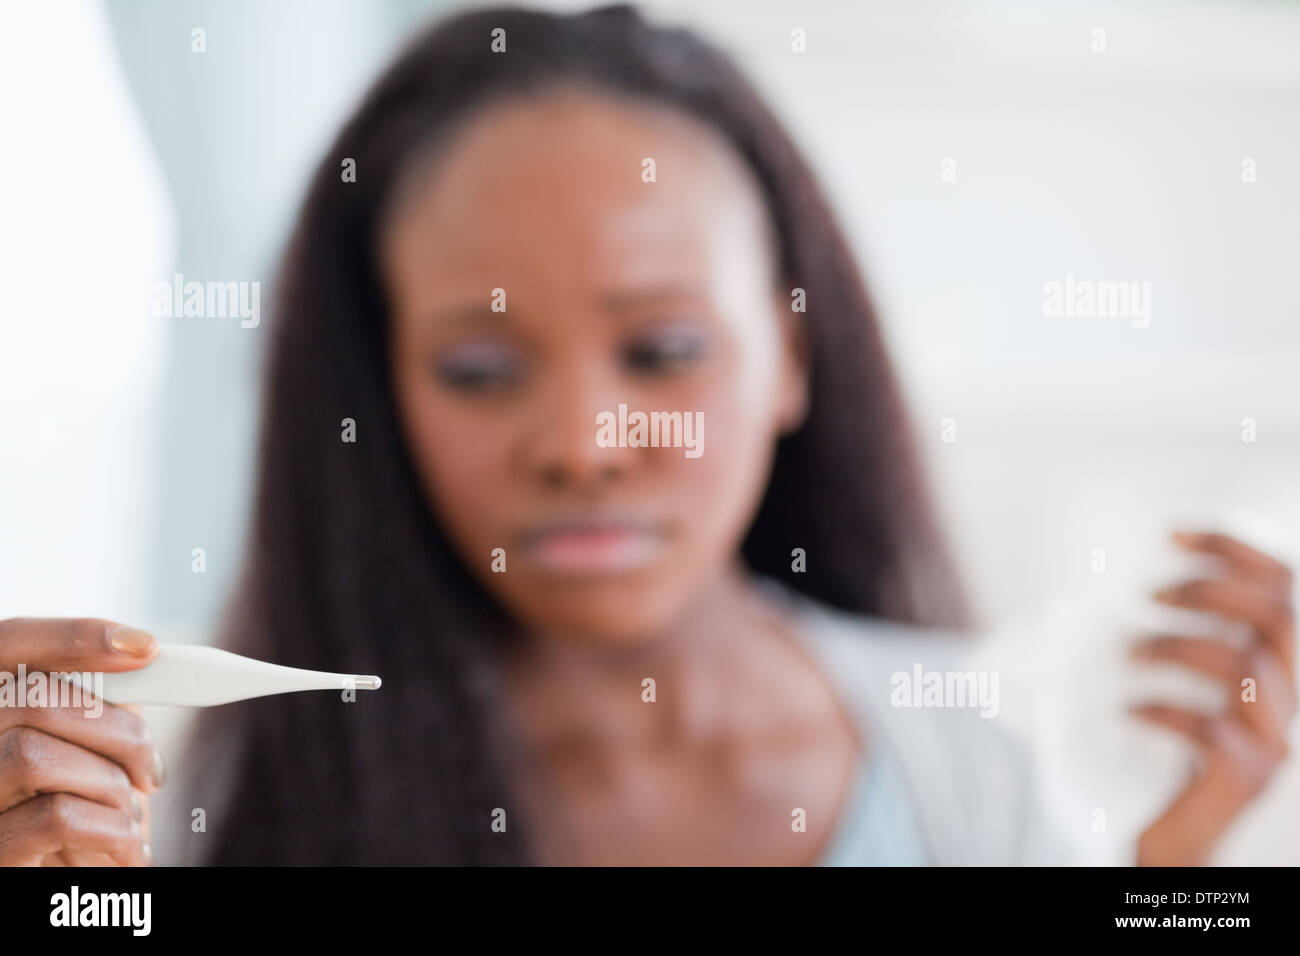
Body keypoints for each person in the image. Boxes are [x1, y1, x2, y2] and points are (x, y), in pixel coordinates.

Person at [0, 5, 1293, 866]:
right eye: (479, 367)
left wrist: (1179, 871)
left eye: (664, 350)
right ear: (380, 392)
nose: (583, 442)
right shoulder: (214, 801)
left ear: (792, 352)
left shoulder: (984, 755)